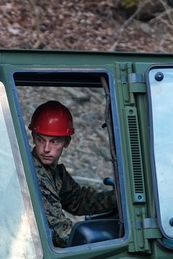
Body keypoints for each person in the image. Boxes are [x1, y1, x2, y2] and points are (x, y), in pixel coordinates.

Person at [29, 100, 116, 247]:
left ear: (67, 142)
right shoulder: (34, 174)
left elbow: (78, 200)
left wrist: (117, 199)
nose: (46, 149)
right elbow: (60, 232)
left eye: (54, 142)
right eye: (40, 140)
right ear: (33, 137)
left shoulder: (55, 173)